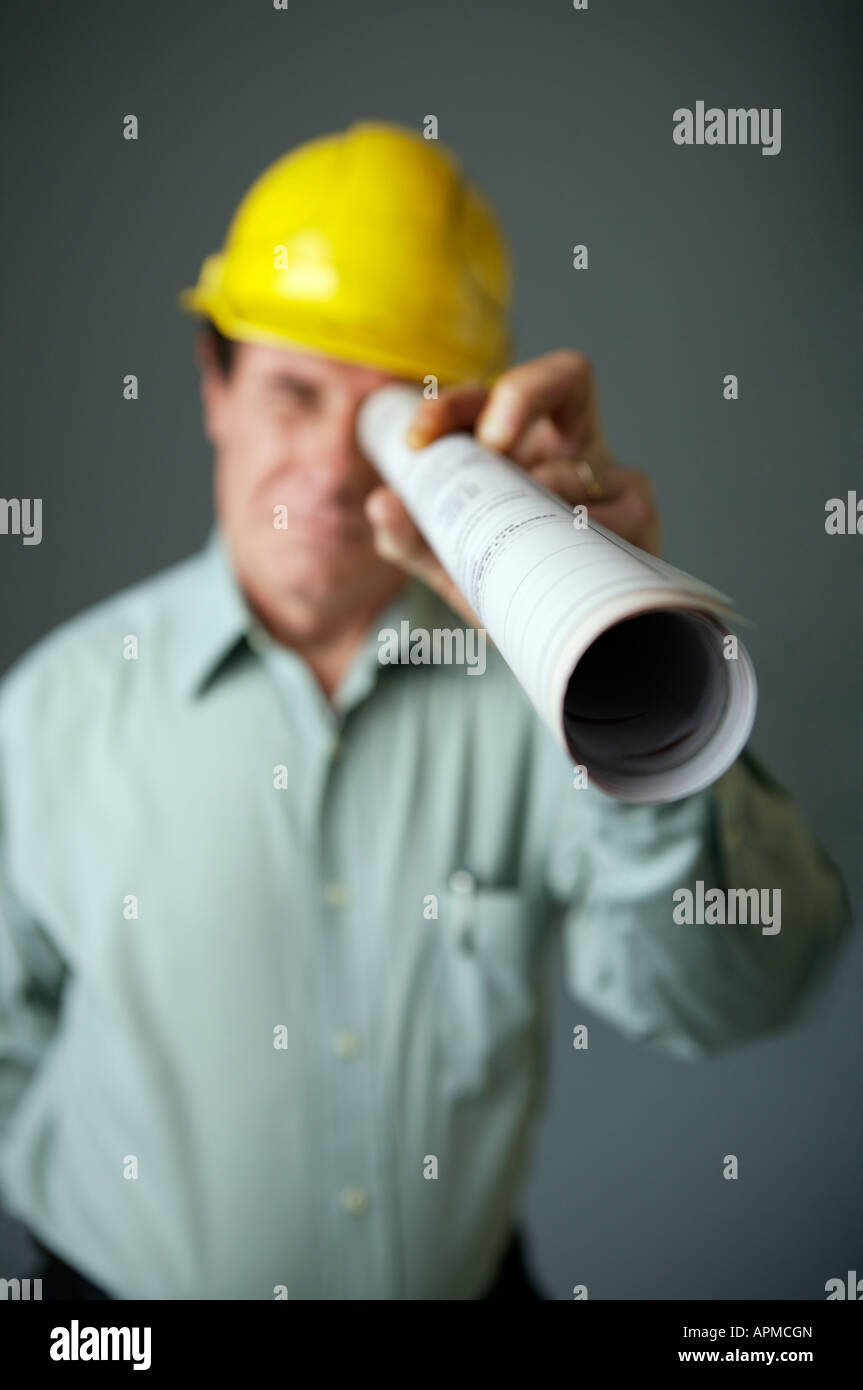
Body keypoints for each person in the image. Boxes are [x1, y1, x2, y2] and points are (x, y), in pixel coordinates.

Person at [0, 121, 851, 1301]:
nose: (335, 476)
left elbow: (744, 991)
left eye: (388, 423)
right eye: (295, 394)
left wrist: (630, 664)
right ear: (214, 386)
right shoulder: (48, 717)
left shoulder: (537, 696)